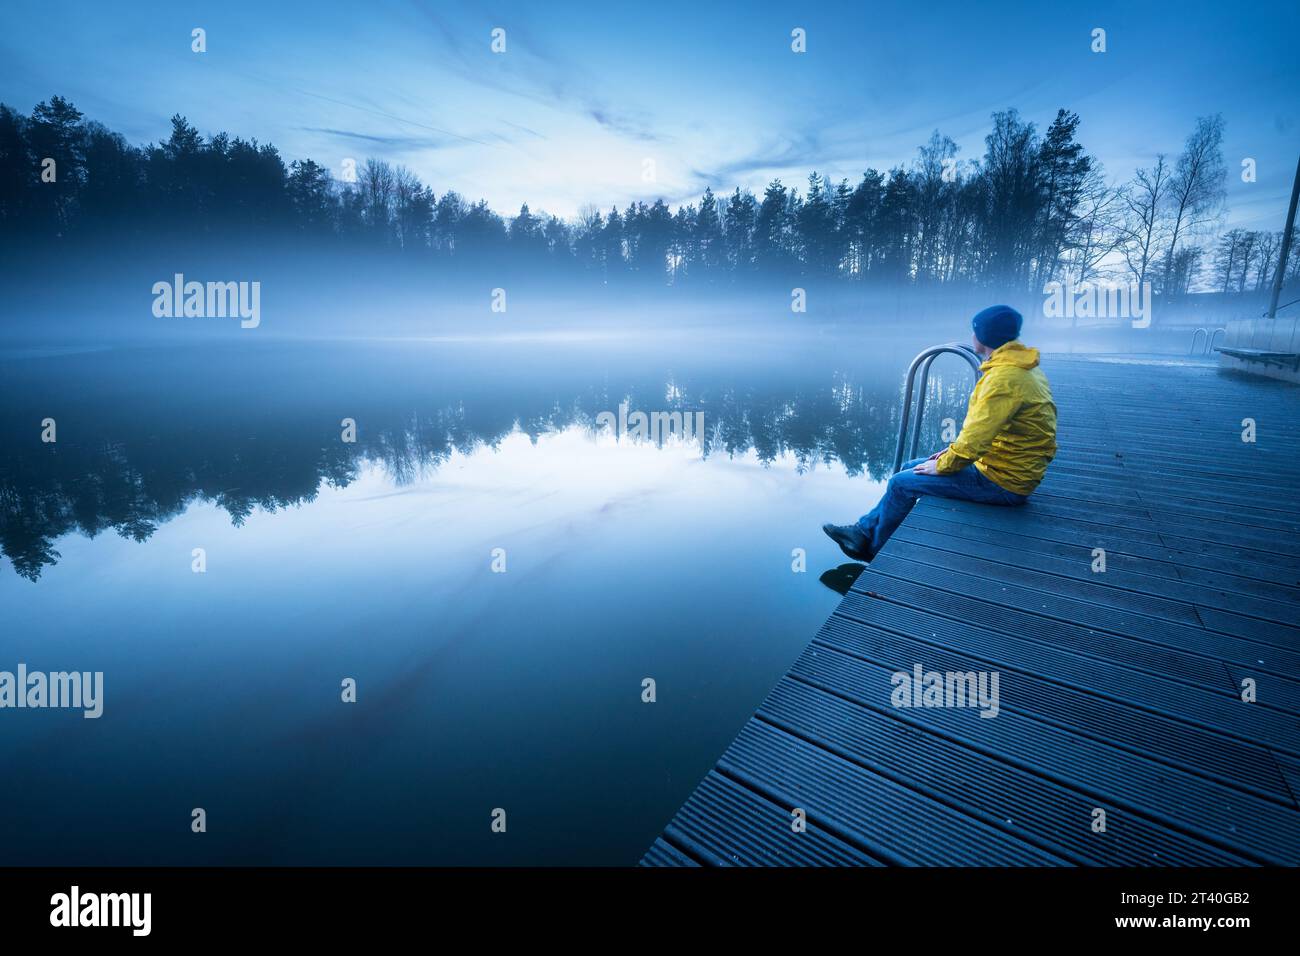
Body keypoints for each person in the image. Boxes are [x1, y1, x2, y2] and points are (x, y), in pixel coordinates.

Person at [823, 304, 1057, 563]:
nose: (971, 336)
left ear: (984, 337)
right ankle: (863, 531)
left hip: (1005, 483)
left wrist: (946, 464)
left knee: (900, 484)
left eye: (974, 330)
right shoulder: (1021, 367)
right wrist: (947, 455)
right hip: (1009, 468)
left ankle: (875, 551)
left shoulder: (1003, 379)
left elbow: (974, 442)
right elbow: (991, 432)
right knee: (912, 466)